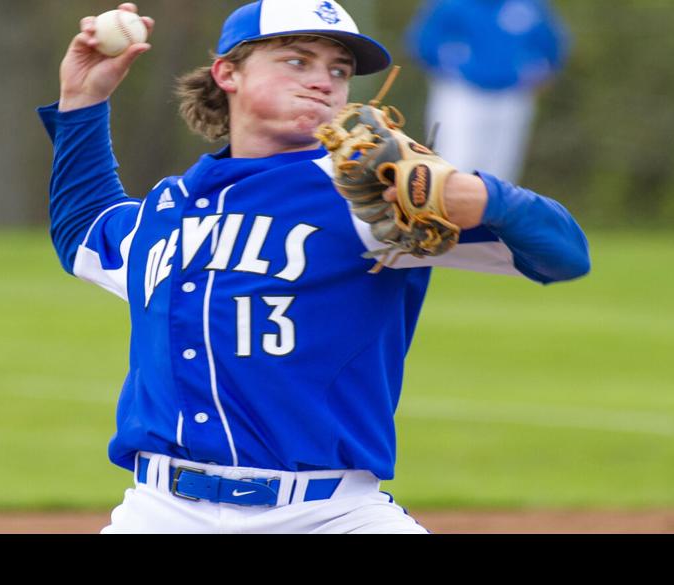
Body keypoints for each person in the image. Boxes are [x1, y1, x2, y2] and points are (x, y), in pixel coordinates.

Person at [40, 0, 590, 534]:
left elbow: (564, 255)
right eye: (297, 60)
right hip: (162, 512)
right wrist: (83, 99)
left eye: (339, 70)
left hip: (329, 514)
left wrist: (488, 198)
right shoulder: (170, 207)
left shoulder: (373, 196)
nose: (323, 80)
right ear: (227, 73)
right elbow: (85, 232)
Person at [408, 0, 567, 183]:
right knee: (453, 164)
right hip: (461, 95)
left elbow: (551, 46)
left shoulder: (527, 5)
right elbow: (424, 43)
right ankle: (443, 211)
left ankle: (490, 213)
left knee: (502, 175)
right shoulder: (451, 4)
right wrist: (455, 65)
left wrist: (537, 72)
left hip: (512, 96)